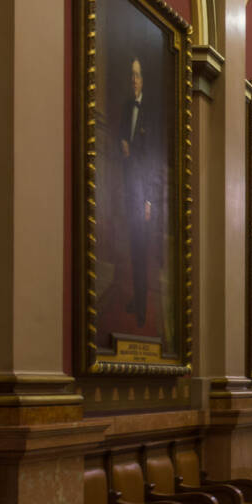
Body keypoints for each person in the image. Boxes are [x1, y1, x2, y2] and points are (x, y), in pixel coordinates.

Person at [118, 57, 158, 327]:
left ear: (143, 80)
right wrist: (123, 145)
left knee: (142, 251)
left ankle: (143, 307)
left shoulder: (150, 113)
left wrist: (149, 201)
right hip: (129, 188)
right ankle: (136, 298)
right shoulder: (125, 108)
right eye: (131, 75)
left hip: (143, 194)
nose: (134, 79)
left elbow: (152, 159)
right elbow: (123, 140)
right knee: (133, 248)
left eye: (137, 75)